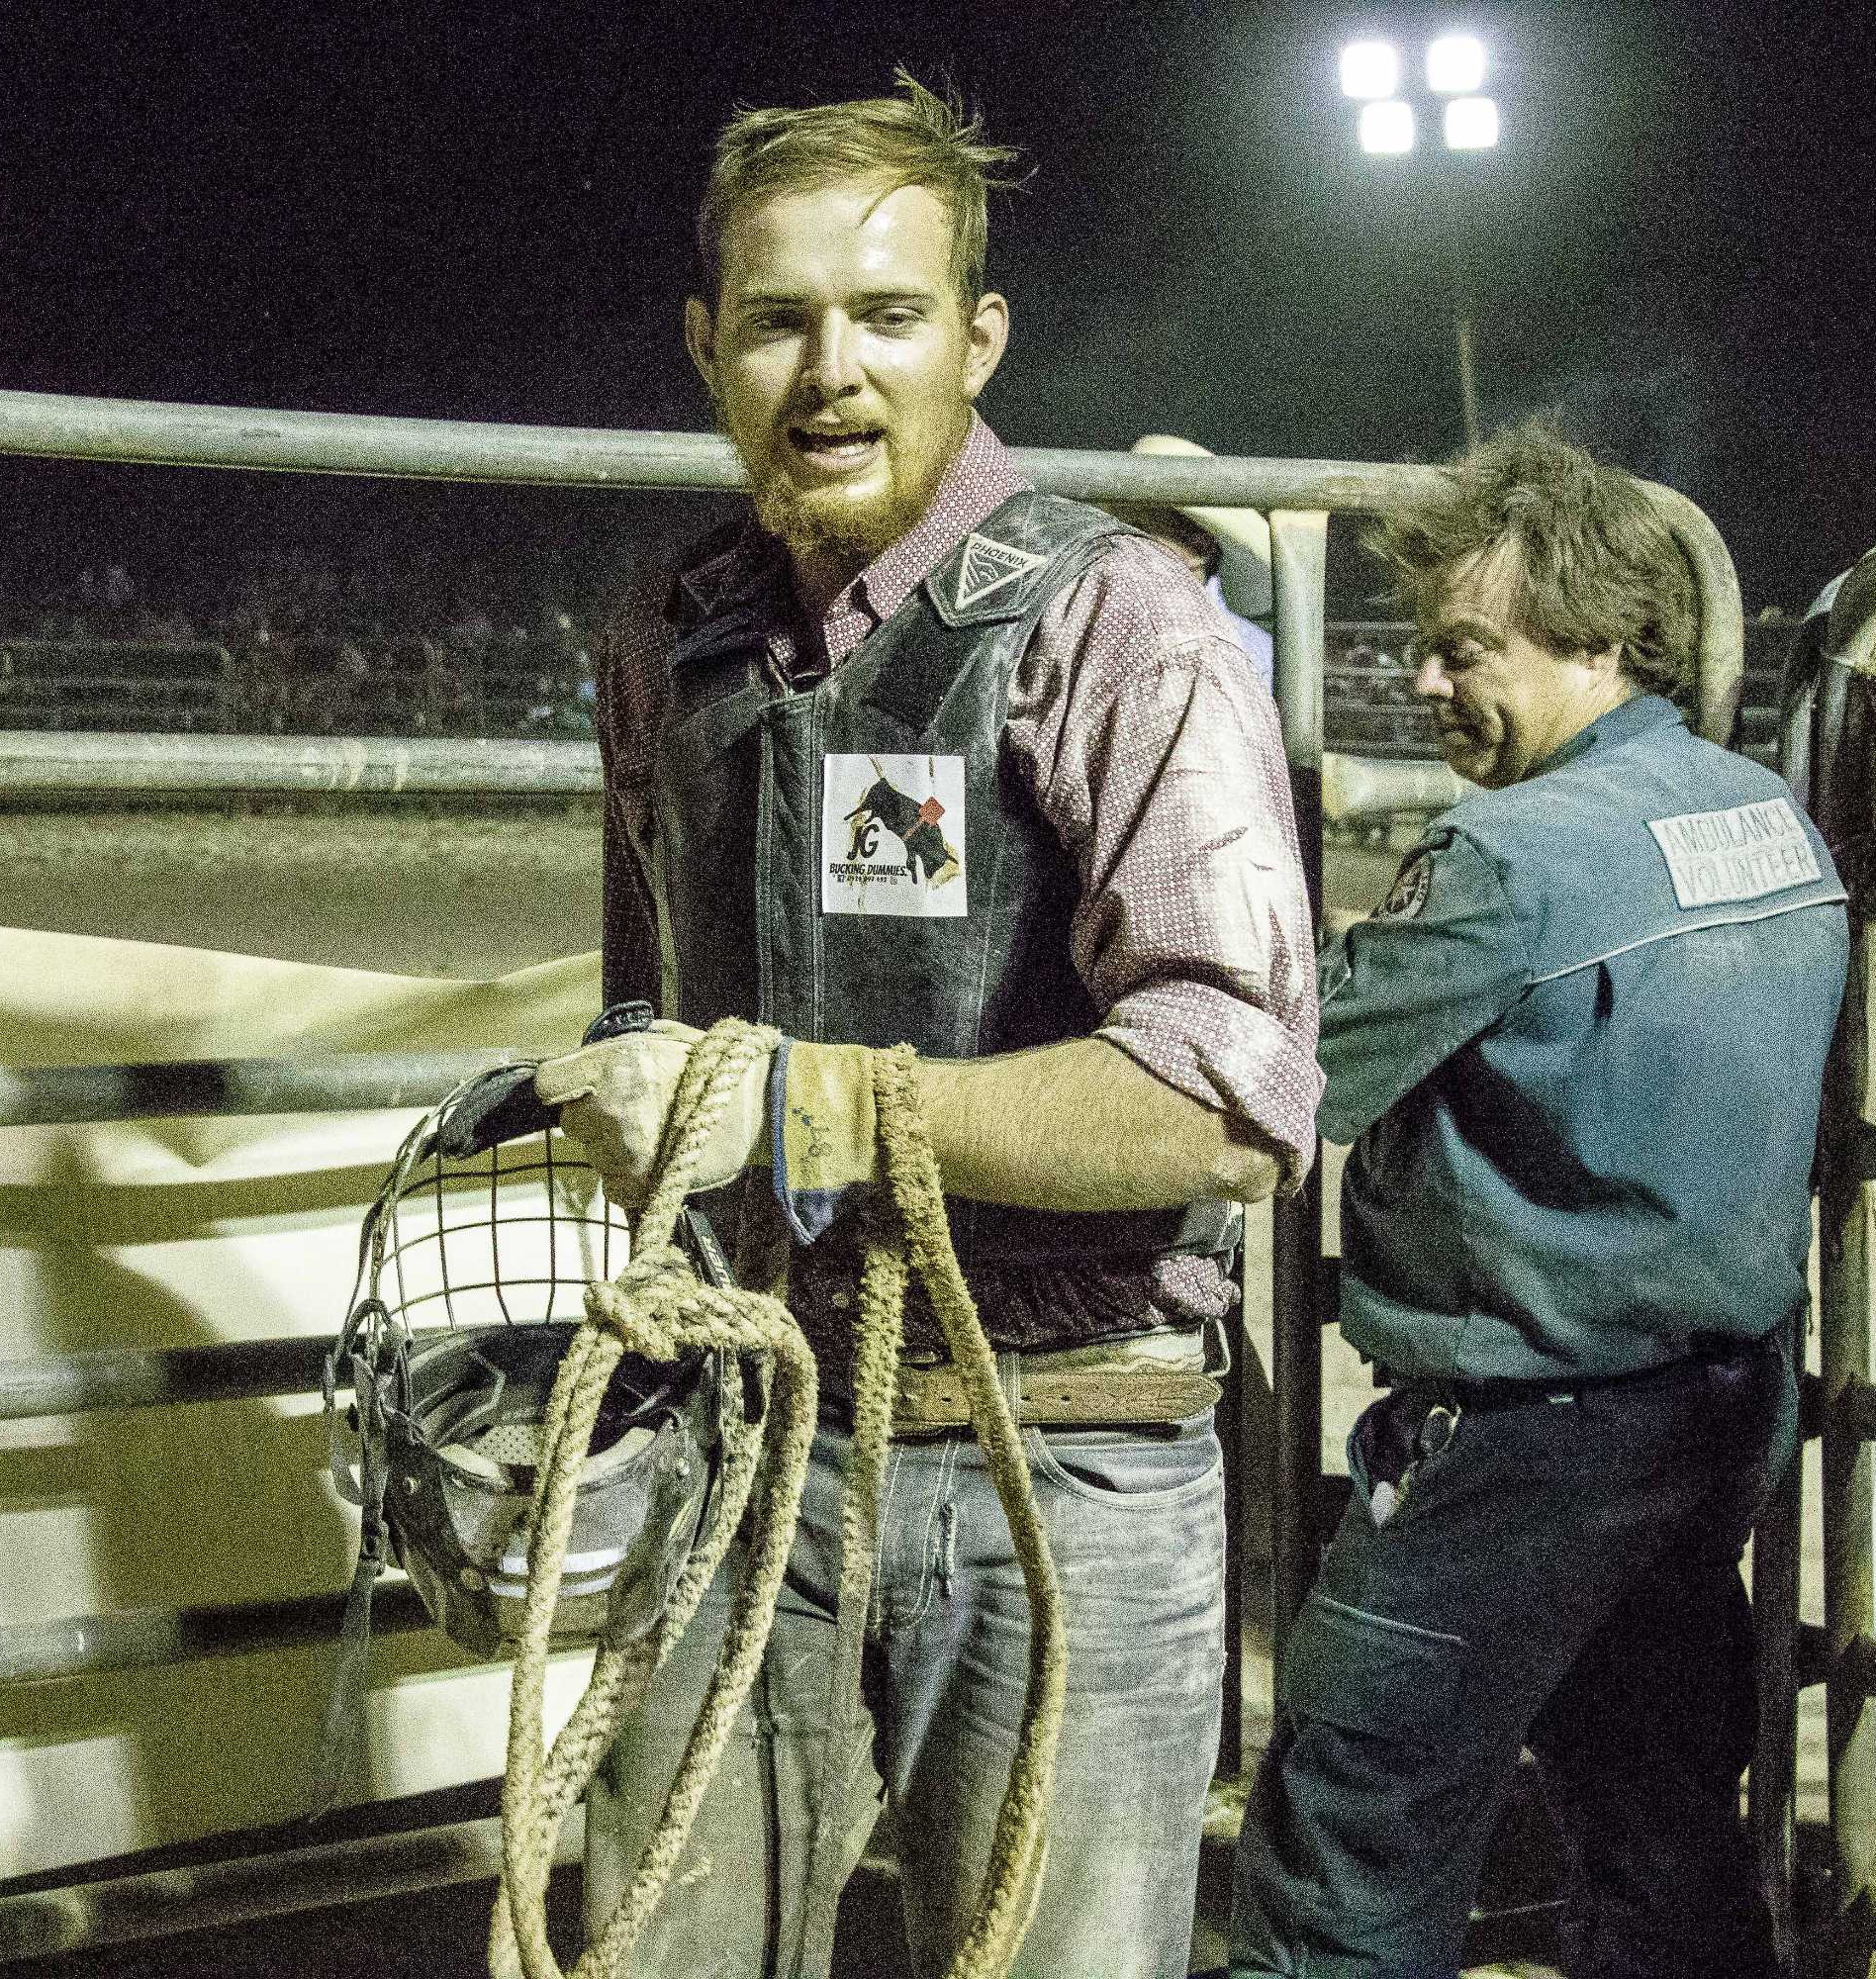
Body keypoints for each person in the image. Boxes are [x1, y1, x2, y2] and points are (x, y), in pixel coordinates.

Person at [532, 72, 1319, 1979]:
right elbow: (649, 989)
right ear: (707, 341)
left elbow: (1230, 1101)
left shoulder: (1115, 625)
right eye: (783, 317)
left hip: (1063, 1454)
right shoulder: (670, 637)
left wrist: (799, 1110)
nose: (833, 370)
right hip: (746, 1442)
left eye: (887, 316)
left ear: (978, 341)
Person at [1228, 426, 1848, 1979]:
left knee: (1352, 1826)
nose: (1426, 686)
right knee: (1658, 1818)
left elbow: (1278, 1086)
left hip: (1526, 1440)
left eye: (1462, 651)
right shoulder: (1766, 814)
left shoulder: (1508, 860)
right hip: (1718, 1416)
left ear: (1594, 635)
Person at [1103, 432, 1277, 690]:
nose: (1122, 542)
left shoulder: (1242, 651)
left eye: (1141, 530)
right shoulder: (1111, 618)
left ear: (1199, 546)